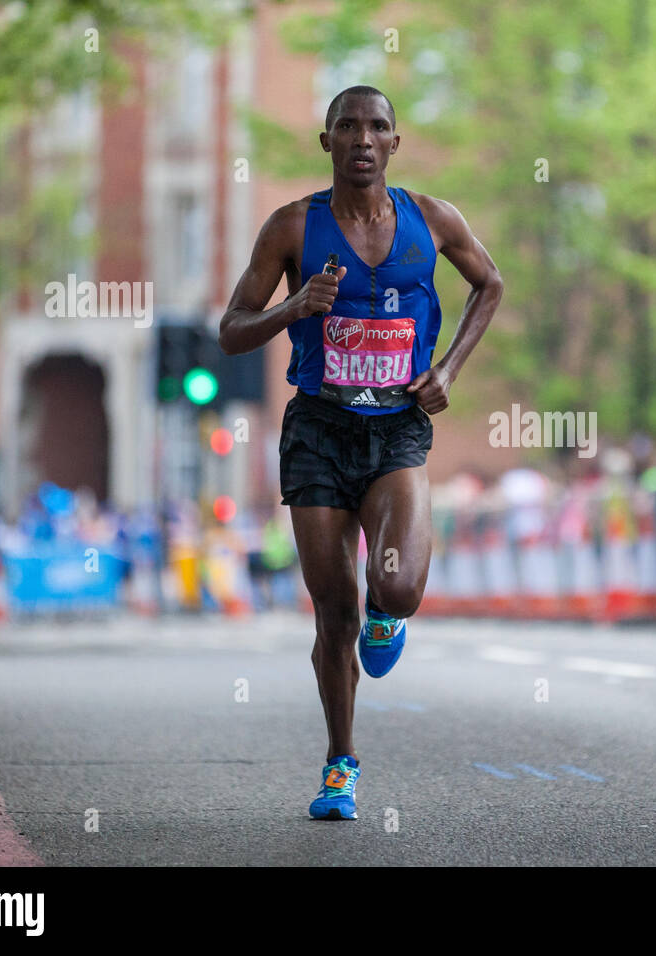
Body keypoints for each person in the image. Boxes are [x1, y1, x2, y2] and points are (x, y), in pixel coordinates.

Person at [219, 86, 504, 820]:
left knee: (399, 589)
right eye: (347, 126)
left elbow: (489, 285)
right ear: (328, 142)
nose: (363, 139)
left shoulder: (432, 220)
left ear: (394, 144)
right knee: (333, 612)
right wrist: (294, 307)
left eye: (377, 127)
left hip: (398, 428)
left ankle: (390, 612)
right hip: (319, 427)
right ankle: (340, 763)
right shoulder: (292, 227)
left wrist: (447, 370)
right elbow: (230, 329)